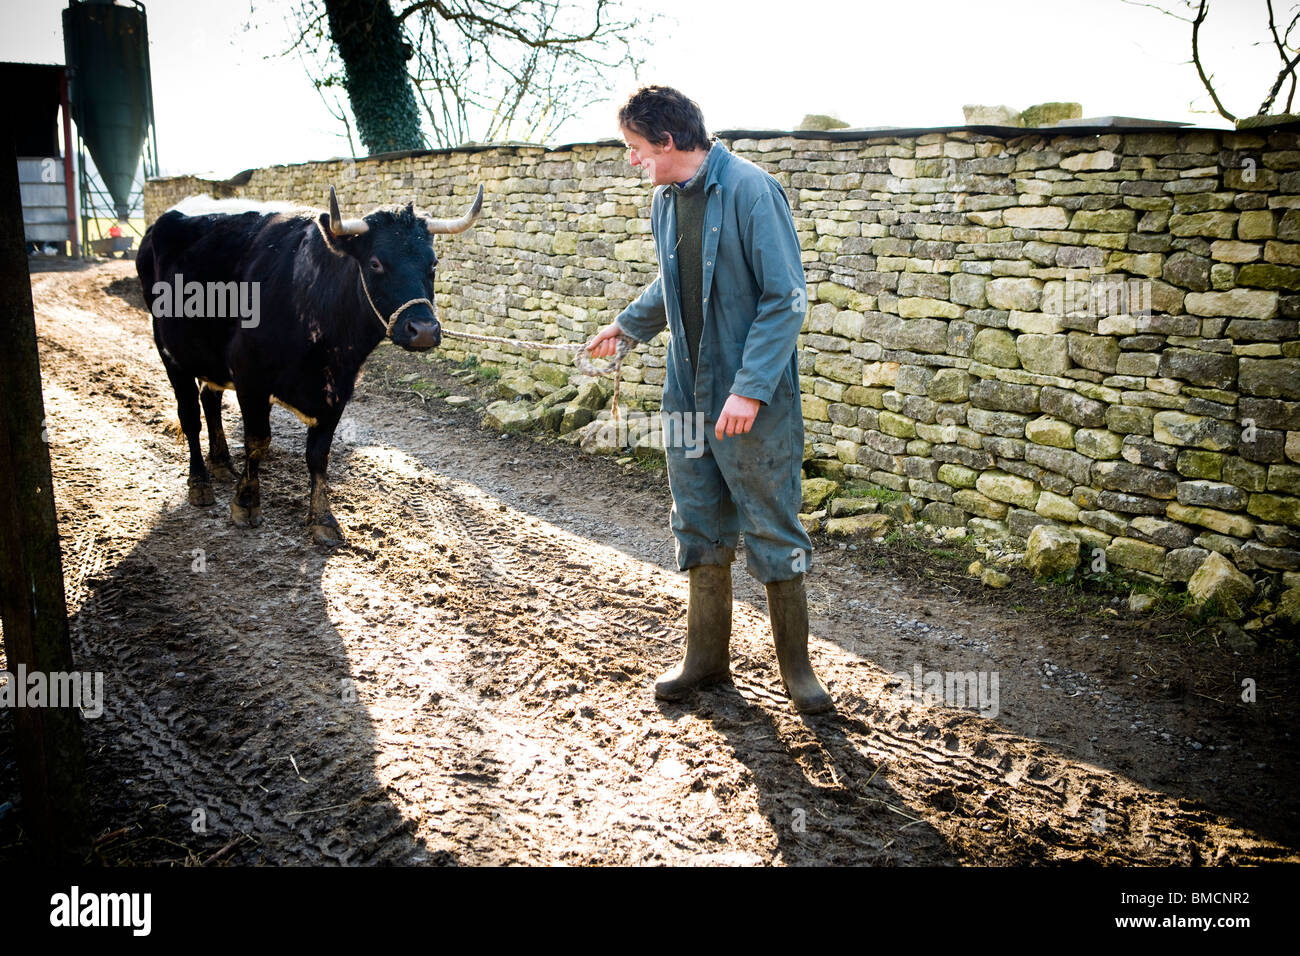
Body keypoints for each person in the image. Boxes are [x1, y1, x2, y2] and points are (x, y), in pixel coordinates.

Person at [586, 85, 833, 714]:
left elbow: (786, 298)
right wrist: (628, 325)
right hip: (687, 396)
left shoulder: (752, 191)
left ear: (667, 142)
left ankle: (798, 674)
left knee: (771, 527)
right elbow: (675, 282)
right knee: (697, 521)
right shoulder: (667, 201)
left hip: (752, 402)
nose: (632, 161)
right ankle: (705, 660)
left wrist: (749, 390)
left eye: (636, 149)